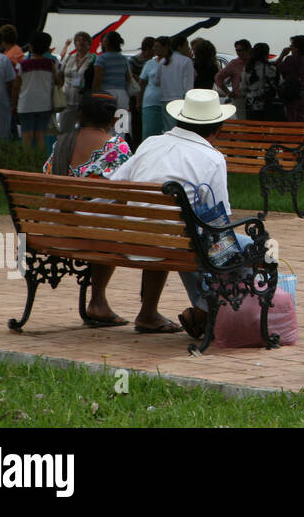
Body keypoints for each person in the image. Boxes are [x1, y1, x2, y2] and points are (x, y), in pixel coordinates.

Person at [105, 88, 241, 341]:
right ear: (216, 130)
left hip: (133, 240)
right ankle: (203, 310)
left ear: (179, 119)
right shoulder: (213, 158)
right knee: (252, 247)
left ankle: (149, 314)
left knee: (177, 233)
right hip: (173, 244)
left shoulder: (151, 143)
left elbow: (114, 186)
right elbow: (219, 222)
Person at [42, 92, 179, 331]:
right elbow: (127, 192)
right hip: (94, 232)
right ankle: (105, 302)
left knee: (105, 220)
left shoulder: (61, 143)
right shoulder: (116, 147)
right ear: (115, 120)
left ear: (80, 115)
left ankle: (99, 301)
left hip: (53, 228)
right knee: (134, 227)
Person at [16, 32, 58, 154]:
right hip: (45, 104)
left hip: (26, 104)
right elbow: (58, 82)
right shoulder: (51, 64)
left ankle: (26, 162)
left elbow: (16, 85)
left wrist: (13, 103)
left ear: (31, 47)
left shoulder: (23, 64)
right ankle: (40, 162)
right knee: (41, 136)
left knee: (26, 136)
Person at [58, 31, 96, 134]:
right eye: (78, 40)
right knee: (64, 130)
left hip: (83, 99)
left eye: (84, 40)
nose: (81, 42)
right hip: (67, 97)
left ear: (89, 45)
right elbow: (60, 75)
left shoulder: (92, 59)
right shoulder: (69, 58)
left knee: (83, 131)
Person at [277, 35, 304, 123]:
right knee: (301, 121)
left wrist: (282, 55)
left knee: (291, 122)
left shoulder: (290, 60)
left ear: (296, 48)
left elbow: (276, 69)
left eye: (292, 45)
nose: (290, 47)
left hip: (293, 96)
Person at [157, 35, 195, 131]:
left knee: (167, 129)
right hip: (180, 100)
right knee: (180, 130)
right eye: (186, 45)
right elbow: (188, 86)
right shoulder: (186, 61)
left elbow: (157, 81)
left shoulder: (163, 61)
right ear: (180, 46)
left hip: (164, 99)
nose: (188, 48)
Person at [243, 42, 285, 121]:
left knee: (253, 130)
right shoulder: (272, 68)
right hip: (270, 105)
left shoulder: (248, 68)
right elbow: (280, 83)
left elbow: (243, 88)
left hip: (251, 105)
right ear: (267, 54)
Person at [215, 39, 252, 119]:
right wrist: (228, 92)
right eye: (237, 50)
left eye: (240, 50)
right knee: (242, 124)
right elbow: (218, 77)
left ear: (248, 50)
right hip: (240, 99)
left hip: (255, 100)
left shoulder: (255, 62)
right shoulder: (234, 64)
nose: (238, 53)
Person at [0, 32, 17, 140]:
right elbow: (10, 82)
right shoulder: (3, 59)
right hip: (1, 100)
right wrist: (12, 100)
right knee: (0, 133)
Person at [139, 40, 165, 142]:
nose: (155, 49)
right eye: (154, 47)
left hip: (167, 103)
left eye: (158, 46)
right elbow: (141, 82)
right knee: (148, 134)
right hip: (150, 103)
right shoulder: (149, 63)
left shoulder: (171, 63)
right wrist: (138, 101)